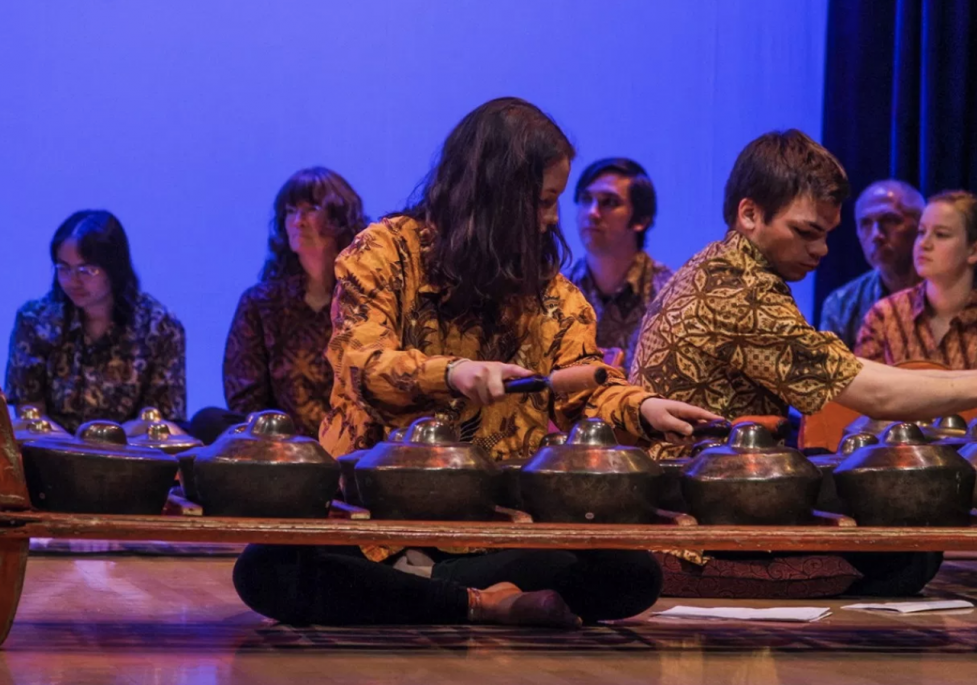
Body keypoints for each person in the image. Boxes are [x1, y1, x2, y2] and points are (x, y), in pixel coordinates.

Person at [231, 98, 720, 628]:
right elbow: (361, 363)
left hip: (493, 526)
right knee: (267, 569)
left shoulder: (554, 295)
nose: (553, 219)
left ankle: (429, 594)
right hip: (375, 523)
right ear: (494, 195)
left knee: (632, 574)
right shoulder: (382, 253)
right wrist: (451, 373)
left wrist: (644, 407)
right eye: (543, 201)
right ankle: (480, 603)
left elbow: (588, 389)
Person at [632, 130, 977, 594]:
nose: (821, 250)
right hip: (690, 515)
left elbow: (847, 369)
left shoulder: (731, 268)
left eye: (826, 235)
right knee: (907, 558)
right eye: (806, 233)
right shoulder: (737, 290)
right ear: (749, 214)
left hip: (714, 494)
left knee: (901, 541)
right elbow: (873, 391)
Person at [193, 168, 367, 442]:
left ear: (339, 219)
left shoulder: (365, 298)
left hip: (355, 446)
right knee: (209, 420)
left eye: (310, 209)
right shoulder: (261, 303)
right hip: (282, 450)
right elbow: (245, 401)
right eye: (290, 212)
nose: (298, 221)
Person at [5, 210, 186, 432]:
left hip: (132, 457)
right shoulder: (35, 320)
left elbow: (159, 423)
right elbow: (29, 415)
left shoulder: (160, 326)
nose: (73, 281)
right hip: (49, 453)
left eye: (87, 270)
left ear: (115, 269)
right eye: (64, 268)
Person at [854, 191, 977, 372]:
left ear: (975, 251)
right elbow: (862, 397)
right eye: (921, 232)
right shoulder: (884, 317)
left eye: (941, 234)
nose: (924, 244)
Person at [568, 158, 672, 373]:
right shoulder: (555, 291)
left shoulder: (671, 295)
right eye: (586, 199)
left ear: (641, 220)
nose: (592, 212)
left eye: (610, 203)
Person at [819, 180, 925, 348]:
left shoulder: (947, 294)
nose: (876, 235)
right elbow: (832, 372)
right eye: (865, 224)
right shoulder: (842, 303)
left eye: (890, 220)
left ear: (921, 226)